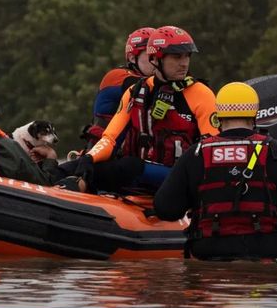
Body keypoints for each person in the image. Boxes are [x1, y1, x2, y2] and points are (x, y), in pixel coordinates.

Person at [153, 82, 277, 261]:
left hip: (210, 255)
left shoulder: (195, 154)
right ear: (255, 115)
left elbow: (166, 209)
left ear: (218, 116)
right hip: (269, 255)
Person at [61, 25, 218, 194]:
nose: (184, 63)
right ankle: (52, 179)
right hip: (144, 172)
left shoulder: (202, 94)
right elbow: (111, 139)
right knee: (81, 164)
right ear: (155, 59)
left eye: (187, 56)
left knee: (130, 166)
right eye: (177, 56)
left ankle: (77, 185)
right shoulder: (135, 91)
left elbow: (212, 149)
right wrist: (89, 158)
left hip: (180, 176)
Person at [79, 27, 156, 151]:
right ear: (132, 57)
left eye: (161, 55)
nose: (157, 60)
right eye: (151, 55)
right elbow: (147, 88)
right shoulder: (116, 76)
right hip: (105, 155)